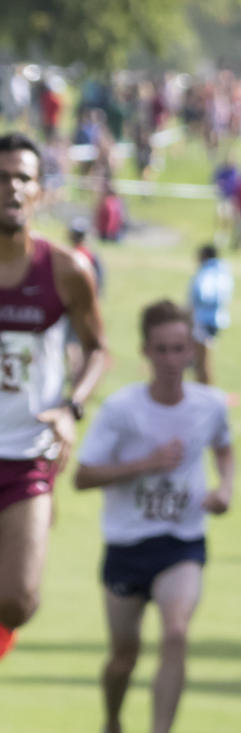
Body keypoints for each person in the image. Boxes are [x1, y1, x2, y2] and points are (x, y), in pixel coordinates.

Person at [75, 299, 233, 733]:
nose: (170, 360)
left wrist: (225, 489)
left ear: (192, 352)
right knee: (123, 657)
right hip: (126, 544)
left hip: (181, 541)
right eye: (161, 350)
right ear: (146, 351)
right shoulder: (123, 409)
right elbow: (84, 477)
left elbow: (225, 448)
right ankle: (112, 725)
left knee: (176, 633)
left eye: (179, 349)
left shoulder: (211, 405)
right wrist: (145, 464)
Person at [0, 132, 109, 661]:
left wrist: (72, 408)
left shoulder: (66, 270)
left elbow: (97, 350)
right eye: (1, 178)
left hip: (28, 453)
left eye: (23, 178)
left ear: (41, 192)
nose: (11, 188)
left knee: (18, 600)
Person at [185, 244, 231, 386]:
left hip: (202, 320)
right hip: (214, 319)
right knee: (201, 360)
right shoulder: (222, 270)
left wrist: (192, 308)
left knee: (202, 361)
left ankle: (204, 391)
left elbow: (205, 293)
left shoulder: (208, 272)